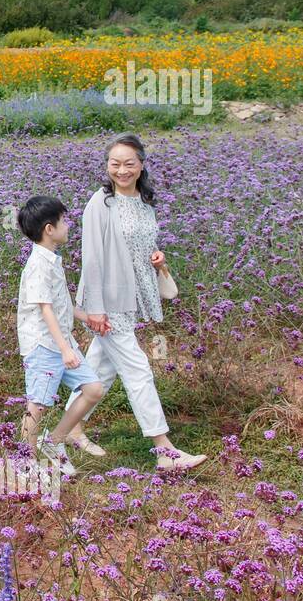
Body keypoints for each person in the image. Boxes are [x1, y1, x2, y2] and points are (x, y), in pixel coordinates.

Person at [65, 133, 206, 472]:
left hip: (132, 294)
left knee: (101, 368)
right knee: (138, 370)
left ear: (141, 166)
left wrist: (157, 260)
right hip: (108, 298)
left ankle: (69, 428)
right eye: (115, 164)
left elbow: (143, 245)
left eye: (129, 164)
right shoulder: (101, 202)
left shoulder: (144, 203)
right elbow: (93, 258)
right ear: (107, 166)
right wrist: (95, 309)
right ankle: (165, 451)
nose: (122, 170)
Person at [14, 195, 105, 478]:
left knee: (93, 390)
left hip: (61, 342)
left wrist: (87, 317)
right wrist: (66, 350)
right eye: (64, 221)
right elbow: (46, 311)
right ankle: (25, 463)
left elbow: (62, 303)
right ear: (49, 229)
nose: (69, 226)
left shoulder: (52, 259)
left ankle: (53, 441)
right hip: (44, 345)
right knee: (36, 405)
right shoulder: (38, 265)